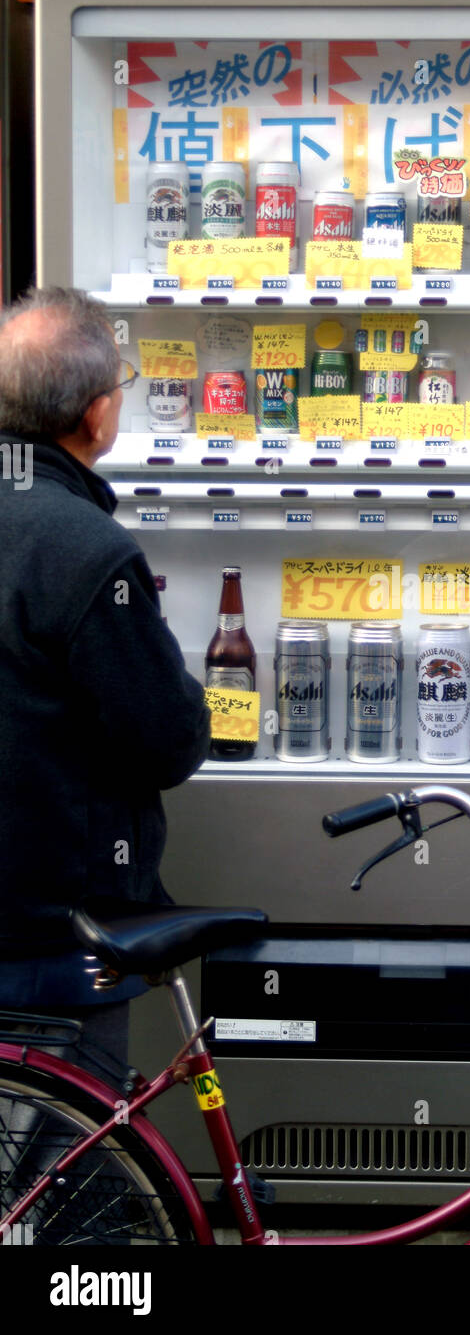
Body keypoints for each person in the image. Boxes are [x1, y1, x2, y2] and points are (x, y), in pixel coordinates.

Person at [0, 286, 210, 1074]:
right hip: (58, 938)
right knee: (69, 1173)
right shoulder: (87, 550)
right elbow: (167, 743)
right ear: (97, 415)